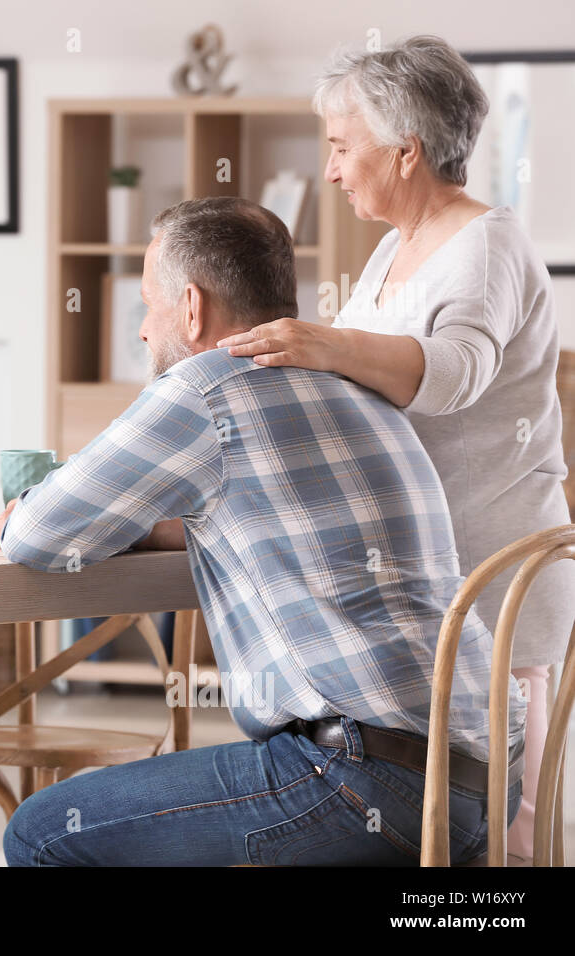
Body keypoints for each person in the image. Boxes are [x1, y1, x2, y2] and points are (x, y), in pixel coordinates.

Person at [0, 197, 524, 866]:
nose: (142, 332)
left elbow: (39, 536)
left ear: (190, 306)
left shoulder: (203, 387)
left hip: (363, 783)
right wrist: (164, 531)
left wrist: (26, 510)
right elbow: (285, 514)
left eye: (148, 307)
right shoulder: (354, 380)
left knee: (42, 831)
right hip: (482, 784)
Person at [214, 35, 573, 861]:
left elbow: (451, 374)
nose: (332, 170)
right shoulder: (396, 246)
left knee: (504, 844)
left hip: (493, 588)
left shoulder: (485, 246)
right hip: (425, 587)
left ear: (405, 152)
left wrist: (326, 344)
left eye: (342, 147)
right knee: (435, 833)